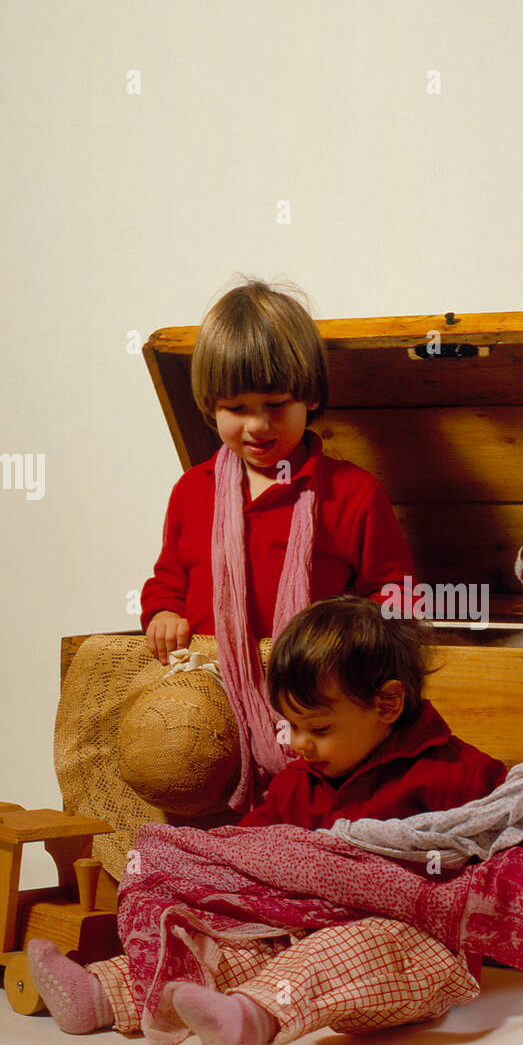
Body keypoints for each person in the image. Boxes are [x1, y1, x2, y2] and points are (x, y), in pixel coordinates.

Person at [30, 597, 523, 1045]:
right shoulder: (299, 783)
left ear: (387, 704)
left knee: (343, 951)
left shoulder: (454, 772)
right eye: (291, 726)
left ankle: (251, 1021)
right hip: (302, 925)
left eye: (318, 727)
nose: (300, 744)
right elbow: (256, 853)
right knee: (237, 946)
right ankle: (103, 995)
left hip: (419, 947)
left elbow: (511, 828)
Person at [140, 276, 417, 813]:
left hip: (319, 711)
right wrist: (163, 612)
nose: (258, 426)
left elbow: (396, 595)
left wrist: (352, 645)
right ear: (210, 407)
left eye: (275, 403)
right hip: (212, 706)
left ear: (310, 395)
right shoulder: (193, 492)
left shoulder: (351, 493)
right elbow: (169, 577)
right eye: (236, 408)